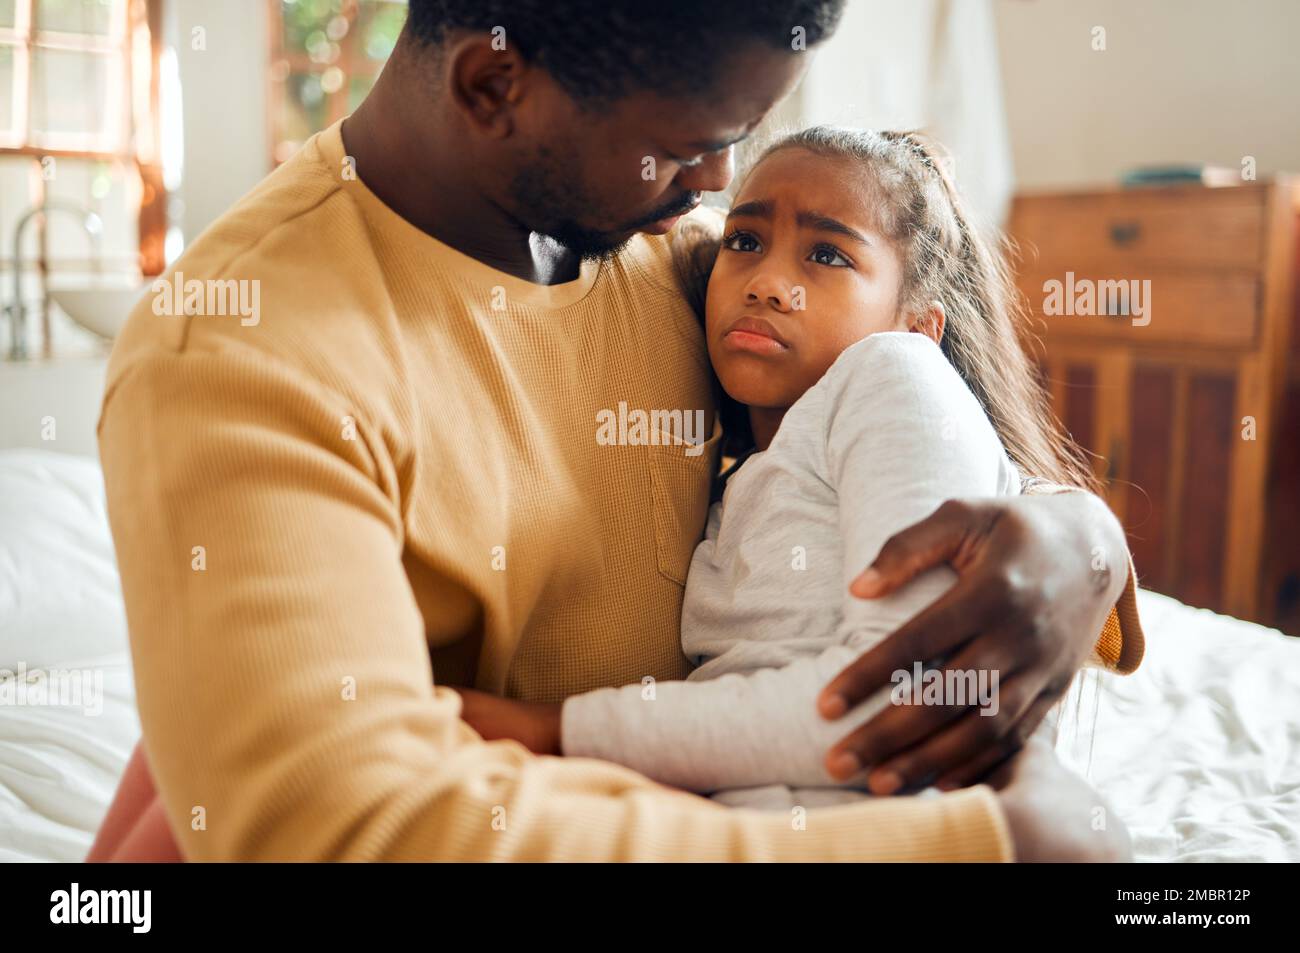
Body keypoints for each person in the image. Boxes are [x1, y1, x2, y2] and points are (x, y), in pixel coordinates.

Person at [92, 2, 1140, 862]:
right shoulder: (233, 354)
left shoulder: (664, 260)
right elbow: (339, 825)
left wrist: (1077, 539)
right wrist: (985, 841)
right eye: (689, 146)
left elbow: (888, 413)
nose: (718, 186)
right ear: (493, 87)